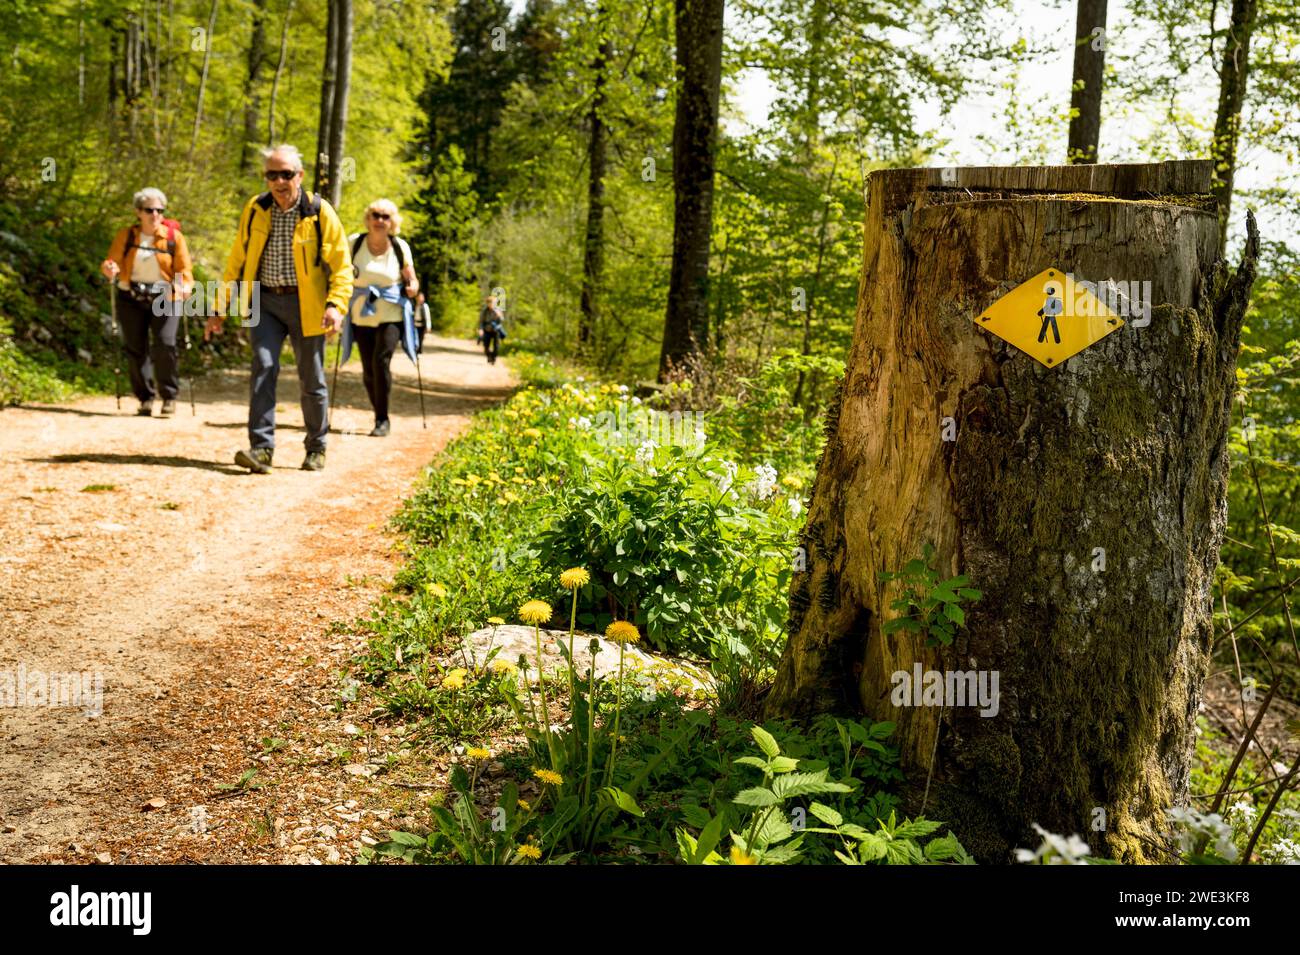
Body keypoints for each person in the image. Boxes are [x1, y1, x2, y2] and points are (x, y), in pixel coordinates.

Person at [205, 144, 352, 473]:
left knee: (311, 379)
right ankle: (261, 448)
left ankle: (316, 447)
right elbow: (236, 261)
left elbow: (342, 266)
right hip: (263, 301)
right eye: (272, 175)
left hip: (308, 304)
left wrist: (336, 305)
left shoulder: (318, 210)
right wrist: (218, 308)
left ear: (299, 175)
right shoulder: (256, 208)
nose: (279, 181)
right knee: (263, 367)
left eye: (286, 174)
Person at [100, 189, 193, 417]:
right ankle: (145, 398)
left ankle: (169, 396)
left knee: (165, 344)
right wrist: (109, 268)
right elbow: (112, 262)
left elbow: (183, 269)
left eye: (159, 210)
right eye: (149, 210)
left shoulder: (173, 238)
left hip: (165, 298)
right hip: (131, 297)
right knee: (135, 348)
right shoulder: (127, 236)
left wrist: (184, 286)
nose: (155, 214)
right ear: (138, 212)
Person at [338, 200, 419, 437]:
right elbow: (341, 272)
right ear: (369, 218)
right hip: (361, 315)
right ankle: (378, 410)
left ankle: (382, 419)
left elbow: (411, 278)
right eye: (376, 215)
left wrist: (413, 287)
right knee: (368, 371)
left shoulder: (399, 247)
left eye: (385, 216)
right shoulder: (355, 243)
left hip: (390, 313)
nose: (380, 220)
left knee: (380, 361)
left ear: (392, 222)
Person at [478, 294, 505, 365]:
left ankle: (494, 358)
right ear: (488, 303)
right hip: (487, 330)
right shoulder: (484, 311)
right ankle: (489, 356)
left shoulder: (498, 310)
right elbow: (481, 322)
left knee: (496, 347)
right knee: (486, 346)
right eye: (490, 303)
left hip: (496, 331)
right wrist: (480, 329)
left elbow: (502, 320)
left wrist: (499, 316)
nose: (492, 304)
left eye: (493, 303)